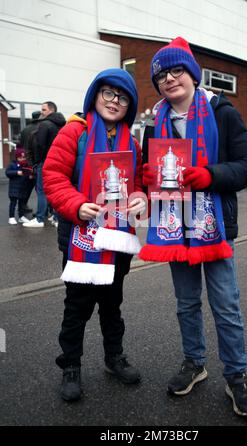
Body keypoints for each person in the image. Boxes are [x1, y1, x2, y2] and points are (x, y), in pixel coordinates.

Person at [140, 37, 247, 417]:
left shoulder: (222, 112)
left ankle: (236, 375)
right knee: (186, 303)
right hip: (173, 226)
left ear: (192, 74)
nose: (169, 79)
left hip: (215, 225)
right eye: (161, 75)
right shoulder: (153, 124)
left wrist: (210, 175)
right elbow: (152, 179)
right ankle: (195, 361)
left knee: (226, 304)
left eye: (177, 70)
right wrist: (147, 181)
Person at [43, 68, 145, 402]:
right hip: (79, 236)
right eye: (109, 93)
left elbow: (138, 182)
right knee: (76, 307)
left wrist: (140, 198)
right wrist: (76, 205)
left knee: (112, 304)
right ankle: (70, 365)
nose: (115, 101)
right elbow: (54, 176)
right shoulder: (75, 131)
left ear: (129, 104)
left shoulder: (131, 140)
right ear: (96, 95)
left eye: (123, 96)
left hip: (117, 239)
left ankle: (114, 357)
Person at [23, 102, 66, 228]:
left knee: (42, 190)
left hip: (46, 162)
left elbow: (40, 145)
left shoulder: (45, 124)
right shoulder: (63, 125)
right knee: (57, 190)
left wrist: (37, 162)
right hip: (60, 162)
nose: (41, 112)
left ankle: (40, 219)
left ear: (51, 110)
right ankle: (56, 218)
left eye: (44, 109)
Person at [5, 146, 33, 225]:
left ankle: (21, 216)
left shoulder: (26, 165)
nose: (22, 159)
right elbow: (7, 173)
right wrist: (16, 172)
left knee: (22, 203)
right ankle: (11, 217)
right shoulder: (12, 165)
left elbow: (27, 173)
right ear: (17, 157)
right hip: (14, 188)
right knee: (13, 203)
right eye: (20, 158)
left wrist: (30, 176)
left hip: (23, 188)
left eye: (23, 158)